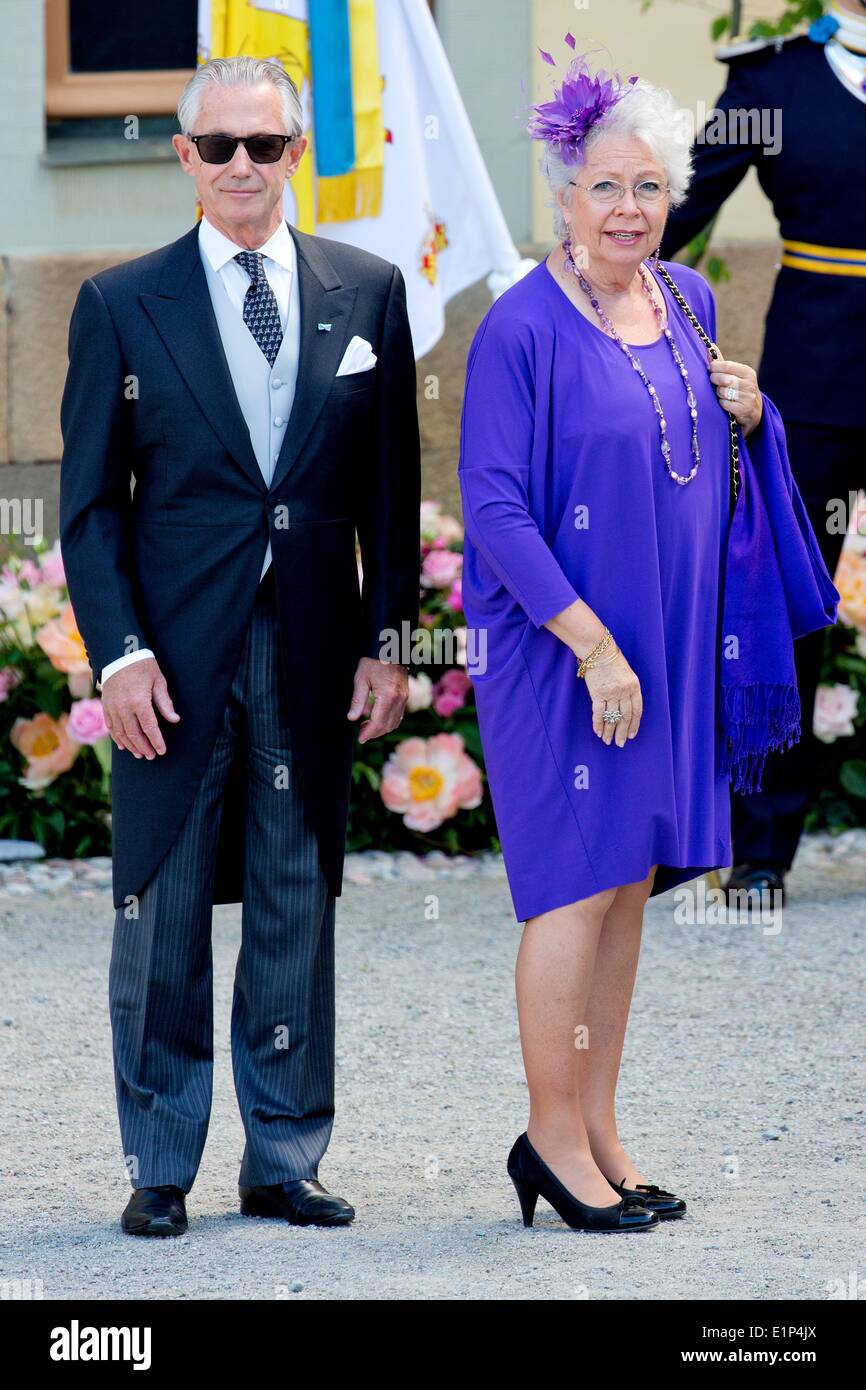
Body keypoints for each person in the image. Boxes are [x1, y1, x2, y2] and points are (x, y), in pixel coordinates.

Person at [457, 41, 838, 1234]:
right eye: (604, 188)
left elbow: (702, 452)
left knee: (627, 890)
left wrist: (749, 409)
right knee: (570, 890)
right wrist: (589, 645)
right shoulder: (521, 329)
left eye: (648, 188)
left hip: (664, 645)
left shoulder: (685, 298)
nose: (628, 210)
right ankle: (547, 1138)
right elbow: (494, 505)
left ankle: (598, 1132)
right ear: (564, 197)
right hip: (566, 650)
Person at [59, 57, 420, 1237]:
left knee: (289, 891)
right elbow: (91, 505)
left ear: (294, 156)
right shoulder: (121, 302)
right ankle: (159, 1158)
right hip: (170, 649)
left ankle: (283, 1154)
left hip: (309, 642)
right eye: (217, 147)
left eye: (263, 147)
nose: (240, 169)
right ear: (183, 156)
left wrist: (387, 641)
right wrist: (117, 654)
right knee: (160, 902)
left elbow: (387, 487)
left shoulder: (365, 291)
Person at [660, 0, 866, 903]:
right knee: (787, 596)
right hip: (817, 371)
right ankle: (762, 846)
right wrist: (581, 290)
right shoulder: (770, 78)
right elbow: (675, 210)